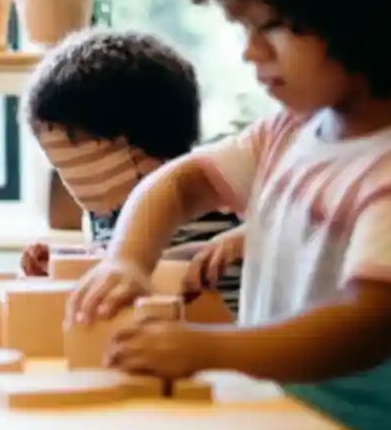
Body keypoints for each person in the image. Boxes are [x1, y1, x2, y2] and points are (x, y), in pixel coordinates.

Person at [67, 0, 391, 430]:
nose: (251, 52)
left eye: (270, 26)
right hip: (280, 411)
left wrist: (210, 348)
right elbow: (182, 182)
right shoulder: (292, 129)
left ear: (364, 16)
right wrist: (128, 260)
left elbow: (371, 321)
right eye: (244, 29)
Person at [18, 29, 243, 315]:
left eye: (72, 162)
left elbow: (166, 275)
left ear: (140, 153)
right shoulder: (106, 215)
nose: (70, 182)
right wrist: (66, 265)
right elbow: (114, 274)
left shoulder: (213, 205)